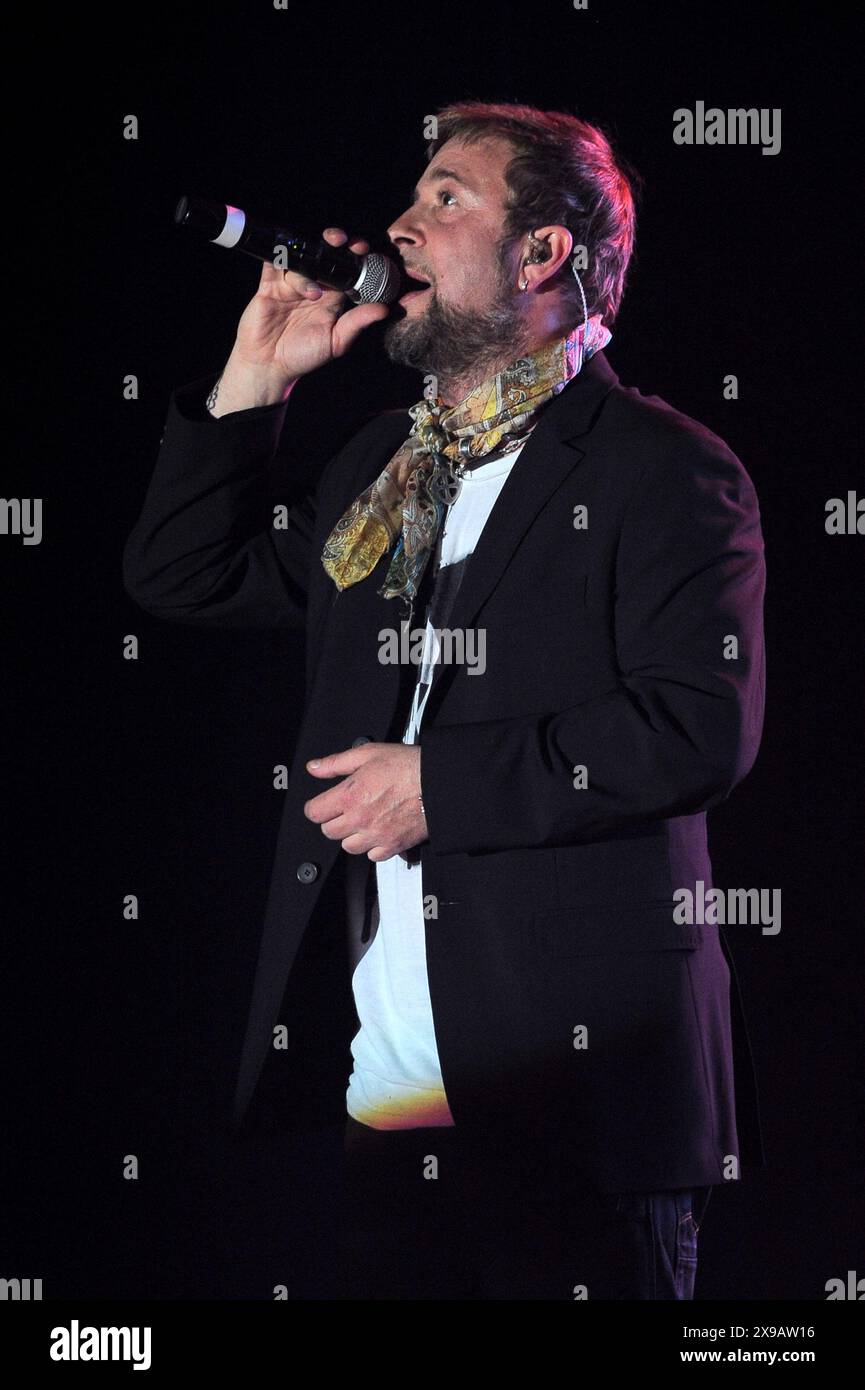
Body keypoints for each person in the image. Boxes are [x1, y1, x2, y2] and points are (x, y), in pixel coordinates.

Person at [123, 100, 766, 1300]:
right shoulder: (385, 467)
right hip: (395, 1090)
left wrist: (436, 787)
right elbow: (183, 574)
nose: (400, 228)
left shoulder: (659, 466)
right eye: (412, 199)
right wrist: (254, 376)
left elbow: (699, 722)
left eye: (445, 199)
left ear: (543, 254)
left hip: (576, 1102)